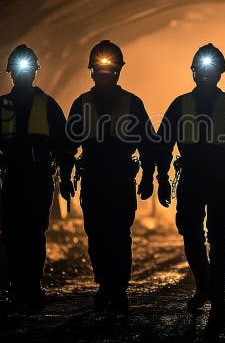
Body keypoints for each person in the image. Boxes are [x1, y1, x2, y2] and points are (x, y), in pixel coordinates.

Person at [157, 43, 225, 333]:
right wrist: (161, 178)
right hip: (198, 176)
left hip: (218, 176)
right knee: (192, 231)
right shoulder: (180, 104)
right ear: (195, 72)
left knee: (217, 235)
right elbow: (163, 144)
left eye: (210, 70)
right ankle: (205, 286)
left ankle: (216, 293)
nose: (206, 75)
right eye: (204, 69)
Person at [65, 40, 156, 313]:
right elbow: (68, 144)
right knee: (96, 233)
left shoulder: (132, 103)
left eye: (108, 69)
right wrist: (65, 174)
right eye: (101, 69)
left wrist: (150, 176)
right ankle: (107, 284)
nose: (104, 74)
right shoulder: (81, 104)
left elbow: (148, 143)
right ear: (93, 71)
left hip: (118, 177)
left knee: (117, 233)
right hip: (94, 176)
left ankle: (117, 287)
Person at [0, 44, 75, 311]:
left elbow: (63, 143)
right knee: (13, 233)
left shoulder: (48, 105)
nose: (22, 75)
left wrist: (67, 176)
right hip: (12, 178)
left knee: (35, 232)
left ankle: (32, 285)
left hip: (38, 179)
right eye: (18, 70)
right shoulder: (2, 106)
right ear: (12, 74)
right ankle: (17, 286)